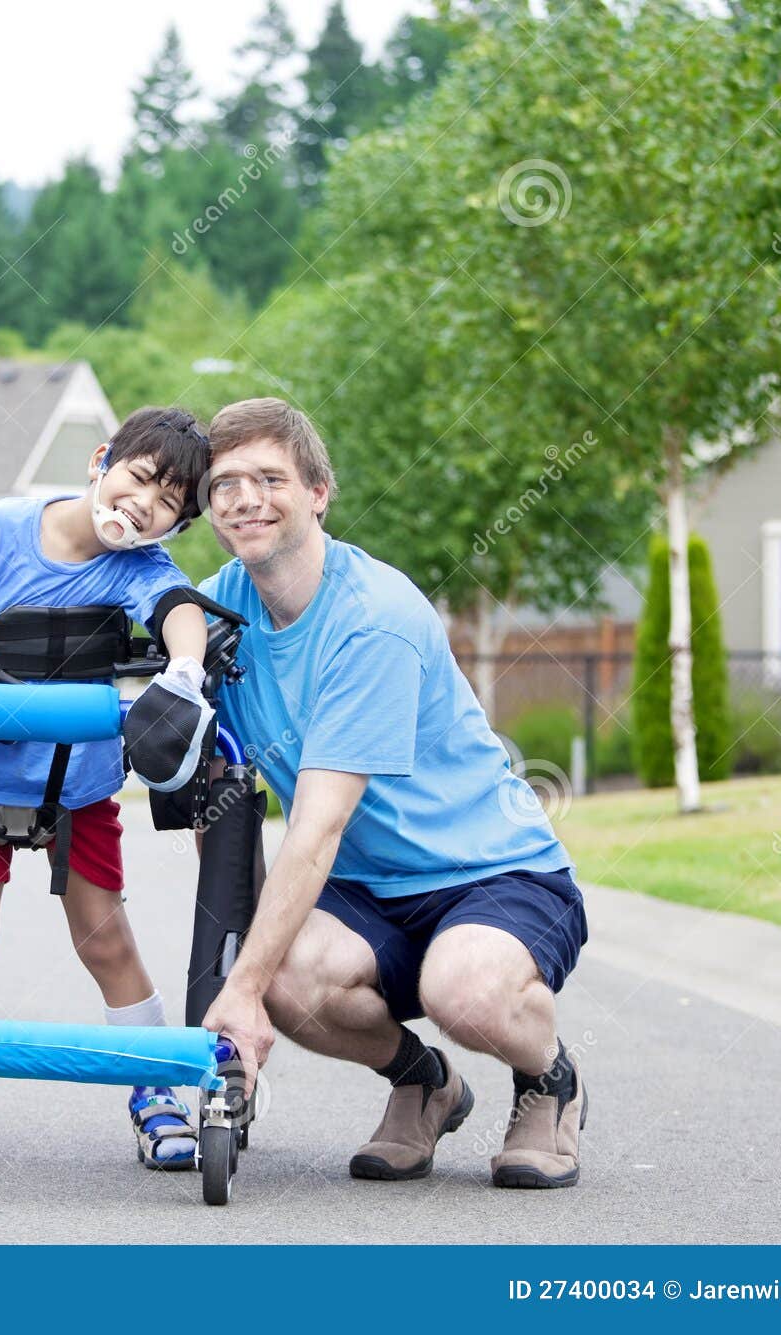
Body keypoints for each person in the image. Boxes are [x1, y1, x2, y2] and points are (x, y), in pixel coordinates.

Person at [195, 398, 591, 1188]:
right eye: (225, 483)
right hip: (368, 887)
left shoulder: (371, 619)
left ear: (319, 491)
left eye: (270, 477)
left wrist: (235, 993)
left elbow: (316, 825)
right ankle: (424, 1081)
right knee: (284, 973)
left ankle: (549, 1077)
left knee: (465, 991)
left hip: (491, 871)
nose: (246, 498)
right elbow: (216, 787)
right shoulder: (216, 608)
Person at [0, 407, 217, 1168]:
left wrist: (184, 673)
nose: (144, 503)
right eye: (141, 476)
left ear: (175, 526)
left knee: (105, 934)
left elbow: (180, 613)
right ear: (102, 460)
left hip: (79, 783)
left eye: (168, 504)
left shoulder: (141, 568)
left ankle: (152, 1085)